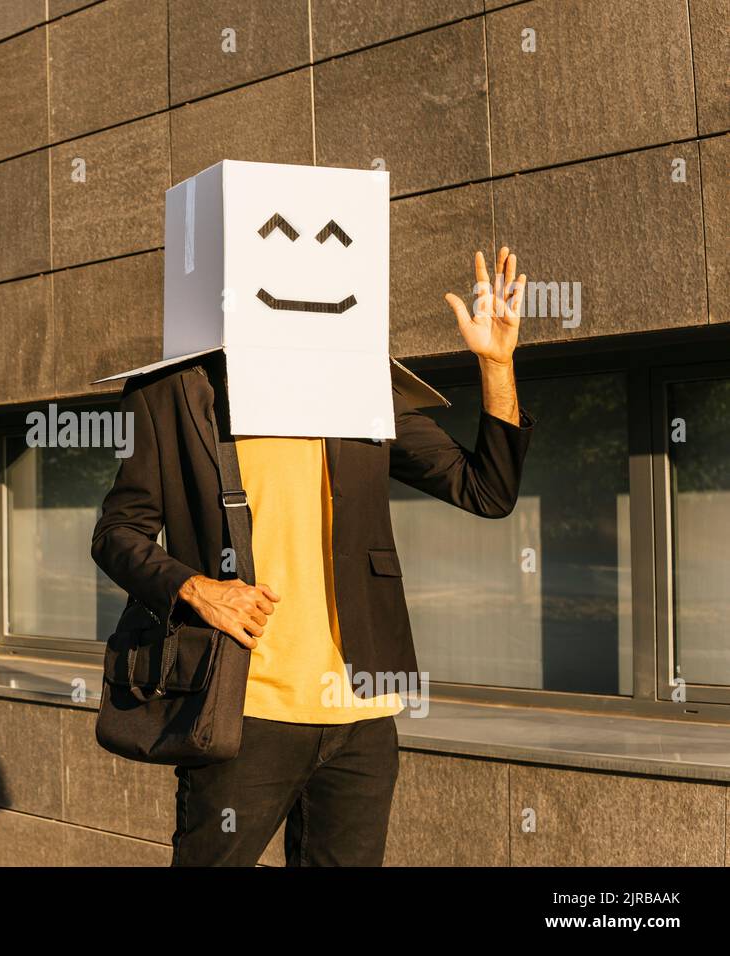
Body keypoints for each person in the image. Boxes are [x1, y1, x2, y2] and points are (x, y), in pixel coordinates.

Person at [91, 248, 535, 866]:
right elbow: (117, 533)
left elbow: (488, 490)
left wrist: (495, 364)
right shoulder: (177, 392)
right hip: (245, 707)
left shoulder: (361, 388)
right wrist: (198, 589)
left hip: (361, 715)